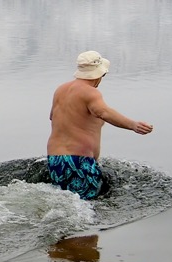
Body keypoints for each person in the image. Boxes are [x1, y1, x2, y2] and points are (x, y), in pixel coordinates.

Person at [46, 50, 152, 199]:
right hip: (79, 161)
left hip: (55, 159)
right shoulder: (91, 93)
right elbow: (104, 113)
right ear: (100, 74)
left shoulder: (61, 90)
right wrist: (133, 125)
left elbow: (52, 116)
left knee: (65, 201)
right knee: (85, 207)